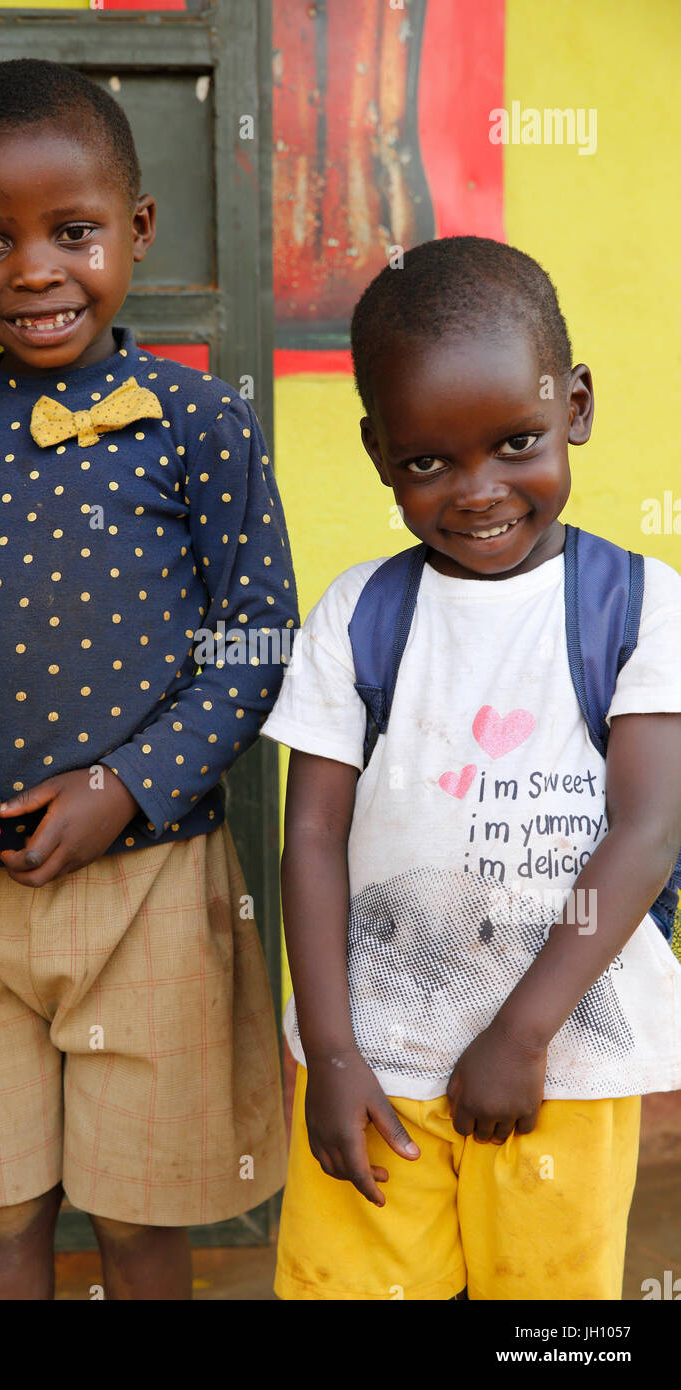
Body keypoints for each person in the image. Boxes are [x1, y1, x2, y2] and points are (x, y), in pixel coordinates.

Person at [0, 58, 297, 1301]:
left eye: (73, 232)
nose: (35, 270)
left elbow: (256, 640)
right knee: (0, 1213)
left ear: (136, 231)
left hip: (150, 881)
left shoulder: (204, 425)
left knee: (144, 1219)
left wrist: (124, 785)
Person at [260, 236, 681, 1301]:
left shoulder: (637, 606)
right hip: (380, 1062)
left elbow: (647, 832)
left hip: (563, 1064)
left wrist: (520, 1032)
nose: (477, 490)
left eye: (514, 442)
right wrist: (329, 1052)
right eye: (426, 462)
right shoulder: (359, 615)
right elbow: (307, 836)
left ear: (575, 405)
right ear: (376, 452)